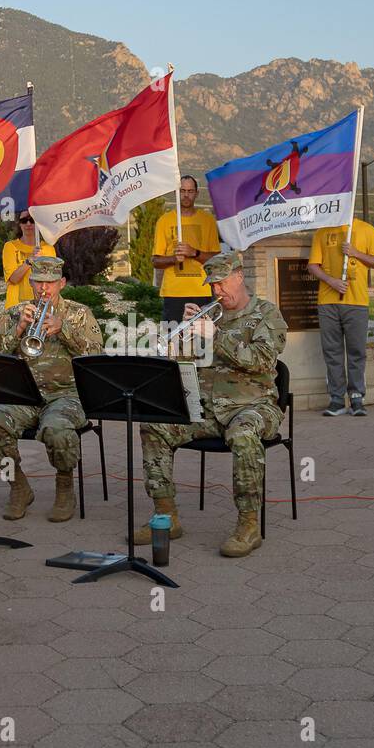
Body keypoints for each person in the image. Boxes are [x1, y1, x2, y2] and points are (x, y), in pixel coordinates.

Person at [137, 251, 287, 558]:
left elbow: (261, 361)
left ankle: (248, 524)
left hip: (253, 406)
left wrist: (216, 335)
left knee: (243, 436)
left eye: (221, 283)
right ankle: (166, 516)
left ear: (239, 277)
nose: (217, 291)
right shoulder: (209, 317)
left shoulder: (266, 314)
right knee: (154, 424)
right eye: (212, 285)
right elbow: (182, 364)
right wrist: (187, 333)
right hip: (208, 409)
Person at [0, 255, 103, 522]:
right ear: (30, 282)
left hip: (67, 396)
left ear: (61, 283)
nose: (43, 290)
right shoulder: (15, 313)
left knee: (56, 429)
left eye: (50, 283)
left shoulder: (79, 313)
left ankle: (64, 487)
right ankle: (16, 485)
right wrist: (19, 330)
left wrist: (65, 331)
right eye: (38, 282)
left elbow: (98, 355)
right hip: (24, 395)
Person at [307, 216, 374, 415]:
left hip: (356, 302)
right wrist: (331, 281)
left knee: (356, 351)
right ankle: (336, 399)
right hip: (327, 302)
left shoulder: (367, 229)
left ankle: (357, 397)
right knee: (332, 351)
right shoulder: (323, 231)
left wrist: (355, 253)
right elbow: (313, 265)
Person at [153, 176, 221, 322]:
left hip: (202, 291)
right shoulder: (164, 221)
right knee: (174, 340)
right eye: (182, 190)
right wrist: (173, 259)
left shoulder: (207, 220)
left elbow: (216, 260)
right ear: (176, 193)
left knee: (202, 340)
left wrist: (194, 253)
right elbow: (156, 261)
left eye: (190, 191)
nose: (186, 195)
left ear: (196, 193)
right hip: (173, 294)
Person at [2, 211, 56, 309]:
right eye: (24, 220)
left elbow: (51, 280)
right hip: (17, 306)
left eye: (32, 220)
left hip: (41, 304)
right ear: (19, 224)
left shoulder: (48, 248)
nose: (28, 224)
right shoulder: (10, 247)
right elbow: (13, 279)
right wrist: (30, 260)